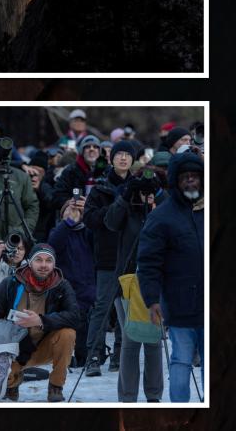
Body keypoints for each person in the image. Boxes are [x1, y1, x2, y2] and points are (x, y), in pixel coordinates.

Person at [138, 152, 205, 403]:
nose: (191, 182)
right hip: (180, 304)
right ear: (176, 181)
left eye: (195, 177)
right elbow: (148, 262)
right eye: (185, 178)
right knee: (181, 361)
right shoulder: (161, 216)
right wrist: (152, 300)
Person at [0, 244, 82, 402]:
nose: (44, 265)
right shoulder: (11, 283)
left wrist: (40, 320)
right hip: (14, 347)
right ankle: (13, 383)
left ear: (54, 264)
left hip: (45, 345)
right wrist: (13, 330)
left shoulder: (62, 285)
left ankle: (56, 386)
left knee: (67, 334)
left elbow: (75, 317)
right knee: (3, 378)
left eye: (48, 260)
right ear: (30, 262)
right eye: (39, 260)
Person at [105, 168, 164, 402]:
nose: (145, 196)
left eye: (150, 192)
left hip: (156, 282)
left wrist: (158, 198)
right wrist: (126, 193)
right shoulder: (127, 209)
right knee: (131, 339)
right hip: (127, 280)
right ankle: (127, 397)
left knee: (153, 340)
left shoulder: (163, 210)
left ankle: (154, 397)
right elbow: (109, 222)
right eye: (142, 192)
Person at [80, 140, 138, 375]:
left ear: (133, 160)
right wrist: (115, 210)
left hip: (132, 256)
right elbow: (90, 219)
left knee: (128, 309)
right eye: (119, 154)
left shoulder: (138, 186)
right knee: (102, 307)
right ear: (111, 158)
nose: (123, 158)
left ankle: (120, 354)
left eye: (128, 154)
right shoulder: (100, 188)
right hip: (106, 256)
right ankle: (93, 355)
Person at [48, 199, 96, 369]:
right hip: (65, 287)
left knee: (84, 323)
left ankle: (84, 356)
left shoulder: (87, 231)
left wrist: (88, 212)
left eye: (77, 211)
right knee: (67, 322)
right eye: (69, 210)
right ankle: (64, 354)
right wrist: (68, 222)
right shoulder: (59, 231)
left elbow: (97, 240)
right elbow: (53, 244)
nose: (74, 213)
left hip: (87, 285)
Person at [0, 138, 39, 250]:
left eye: (2, 151)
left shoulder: (21, 176)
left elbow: (32, 206)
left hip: (14, 239)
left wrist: (23, 231)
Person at [25, 150, 57, 243]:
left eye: (39, 172)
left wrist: (40, 188)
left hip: (40, 233)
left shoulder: (47, 186)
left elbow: (52, 201)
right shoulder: (21, 182)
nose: (35, 174)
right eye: (33, 169)